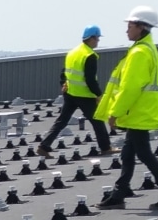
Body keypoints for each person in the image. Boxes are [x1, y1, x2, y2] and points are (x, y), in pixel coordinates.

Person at [98, 5, 158, 211]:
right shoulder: (146, 49)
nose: (127, 30)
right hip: (141, 110)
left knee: (143, 153)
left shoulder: (139, 53)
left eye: (131, 25)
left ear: (142, 27)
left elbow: (130, 87)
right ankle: (120, 192)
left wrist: (115, 112)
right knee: (128, 152)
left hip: (138, 111)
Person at [38, 26, 112, 157]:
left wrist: (63, 84)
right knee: (98, 120)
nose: (98, 41)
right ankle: (105, 148)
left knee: (62, 121)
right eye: (97, 38)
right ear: (92, 38)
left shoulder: (72, 53)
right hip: (84, 95)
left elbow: (64, 73)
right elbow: (90, 80)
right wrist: (99, 95)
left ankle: (44, 145)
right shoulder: (89, 55)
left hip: (70, 93)